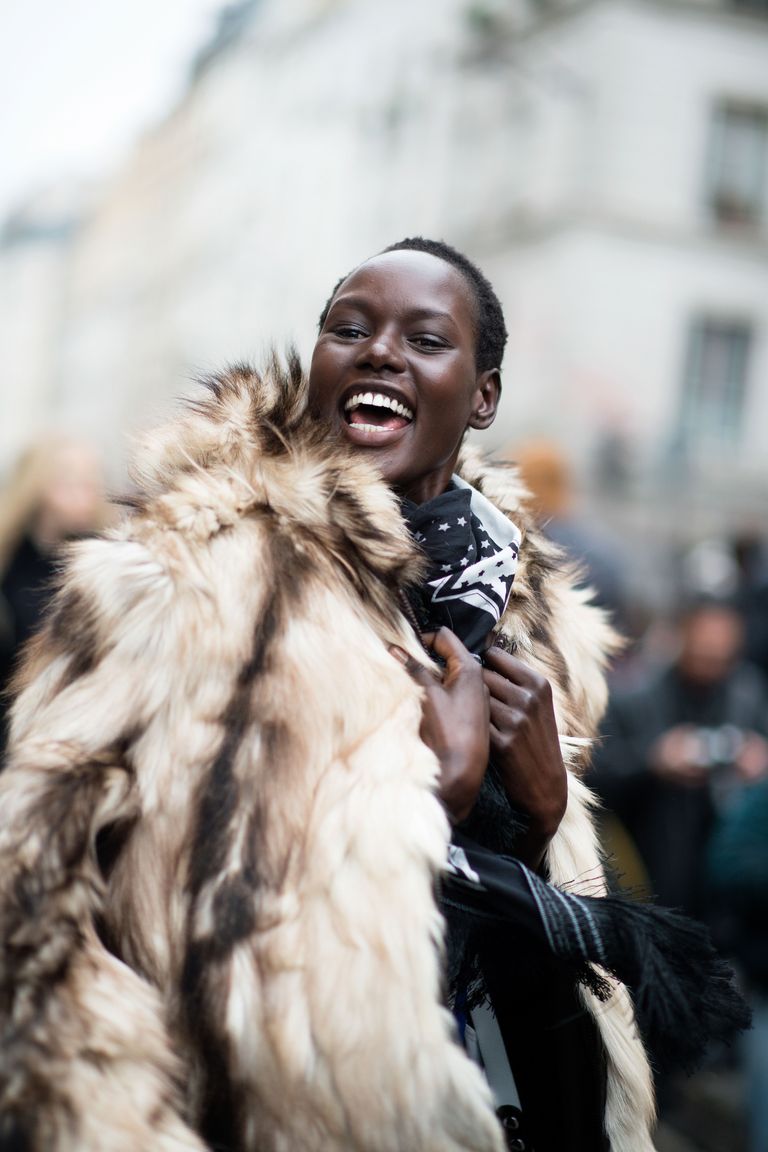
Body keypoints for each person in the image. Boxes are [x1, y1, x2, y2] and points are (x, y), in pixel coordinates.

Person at [0, 240, 746, 1152]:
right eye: (347, 328)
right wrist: (431, 804)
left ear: (484, 395)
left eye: (425, 338)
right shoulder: (179, 584)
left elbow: (537, 977)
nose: (379, 351)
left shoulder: (533, 622)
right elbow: (35, 907)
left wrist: (544, 811)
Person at [589, 597, 768, 919]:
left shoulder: (748, 695)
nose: (711, 660)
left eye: (721, 655)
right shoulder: (635, 697)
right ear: (681, 637)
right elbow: (594, 777)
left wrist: (757, 763)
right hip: (653, 869)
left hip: (730, 885)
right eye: (703, 650)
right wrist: (653, 761)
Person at [0, 438, 107, 756]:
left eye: (90, 483)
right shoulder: (11, 563)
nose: (84, 496)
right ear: (37, 486)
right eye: (69, 482)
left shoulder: (100, 562)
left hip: (74, 736)